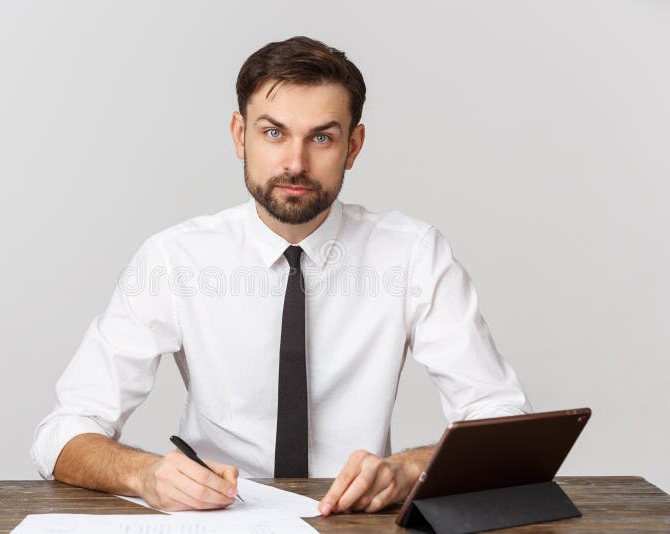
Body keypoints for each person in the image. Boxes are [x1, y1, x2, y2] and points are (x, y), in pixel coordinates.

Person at [31, 35, 531, 516]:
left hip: (356, 521)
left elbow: (502, 426)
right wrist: (144, 475)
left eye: (322, 137)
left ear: (353, 146)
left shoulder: (414, 254)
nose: (295, 163)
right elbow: (61, 435)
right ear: (239, 135)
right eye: (273, 133)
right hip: (215, 519)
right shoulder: (174, 259)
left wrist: (408, 471)